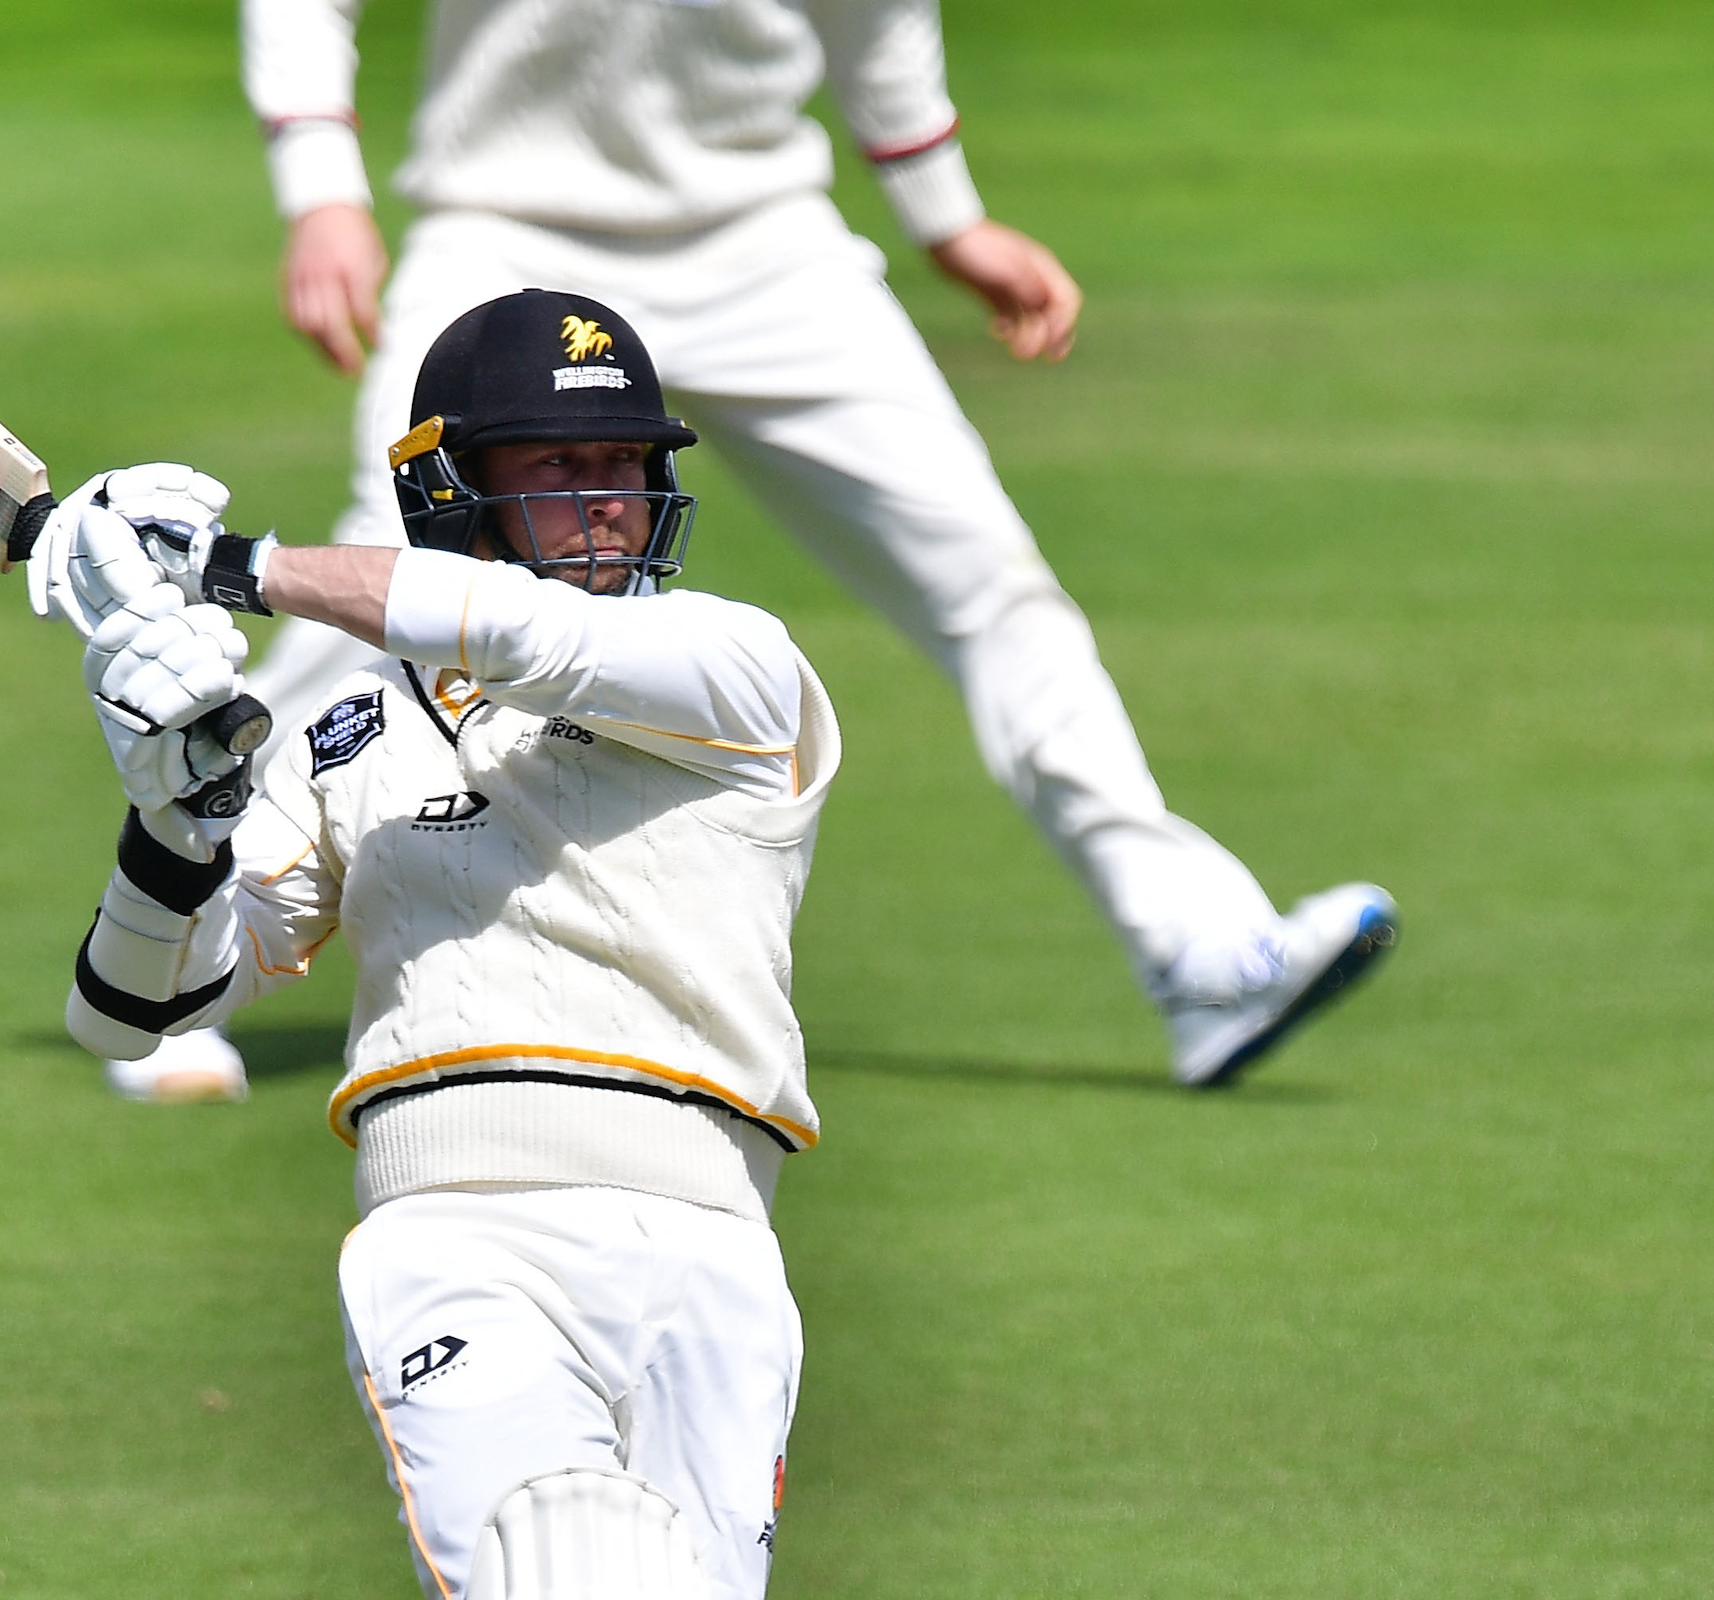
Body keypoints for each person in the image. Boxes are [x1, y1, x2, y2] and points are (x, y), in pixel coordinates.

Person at [98, 0, 1393, 1105]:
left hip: (764, 241)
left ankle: (1202, 952)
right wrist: (321, 190)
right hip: (501, 228)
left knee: (992, 582)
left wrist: (946, 216)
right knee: (384, 583)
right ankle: (180, 977)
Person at [32, 292, 833, 1599]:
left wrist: (228, 567)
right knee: (562, 1570)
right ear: (452, 490)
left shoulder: (730, 667)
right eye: (557, 466)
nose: (605, 503)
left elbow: (522, 634)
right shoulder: (346, 736)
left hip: (717, 1242)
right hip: (458, 1243)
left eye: (625, 465)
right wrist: (177, 823)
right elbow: (133, 1013)